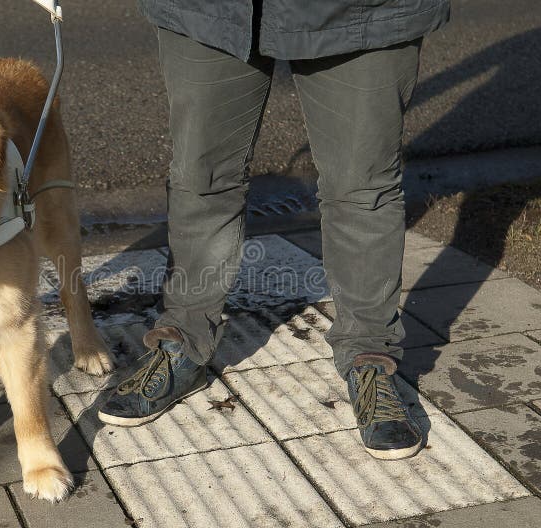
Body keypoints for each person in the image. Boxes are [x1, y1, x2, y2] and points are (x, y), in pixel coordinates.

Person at [97, 1, 450, 460]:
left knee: (362, 188)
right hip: (209, 9)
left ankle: (370, 359)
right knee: (201, 178)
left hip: (362, 11)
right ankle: (183, 339)